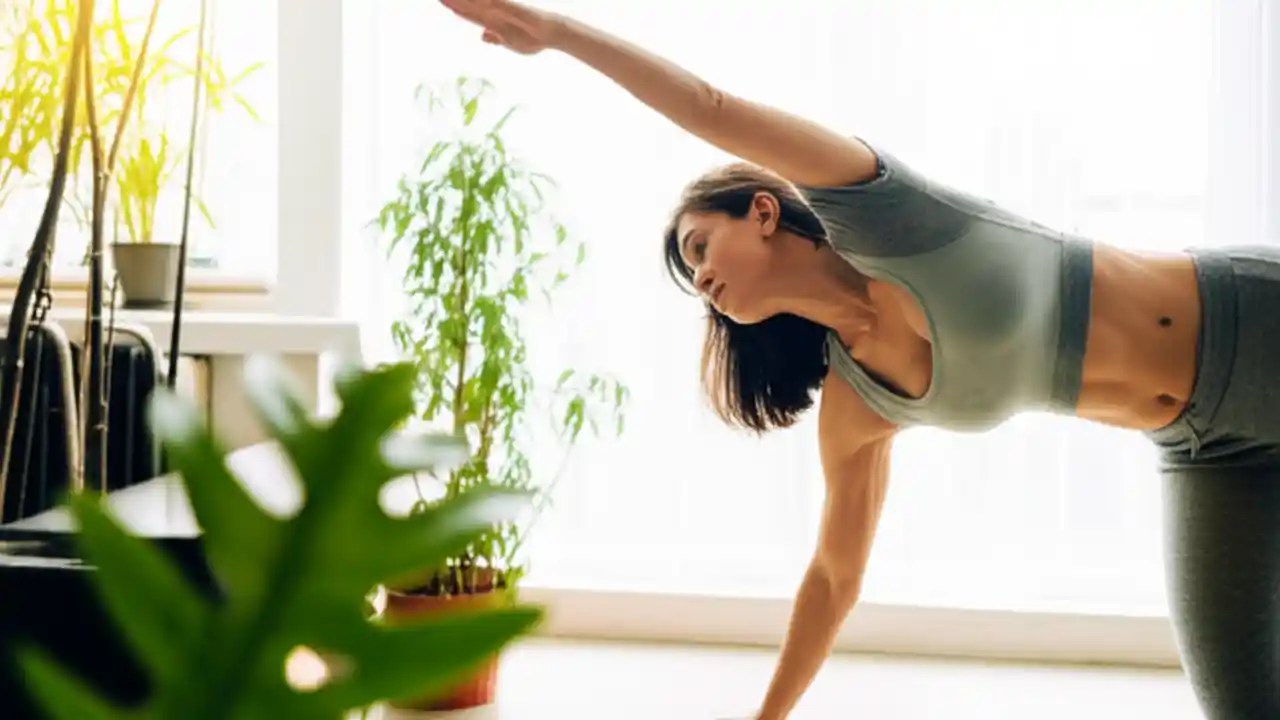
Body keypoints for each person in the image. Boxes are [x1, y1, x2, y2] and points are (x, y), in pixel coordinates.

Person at [440, 1, 1280, 718]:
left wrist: (553, 30)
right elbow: (833, 578)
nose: (699, 279)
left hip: (1252, 326)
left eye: (700, 246)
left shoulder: (887, 214)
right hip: (1205, 452)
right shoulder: (860, 403)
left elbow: (708, 103)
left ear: (763, 211)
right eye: (689, 277)